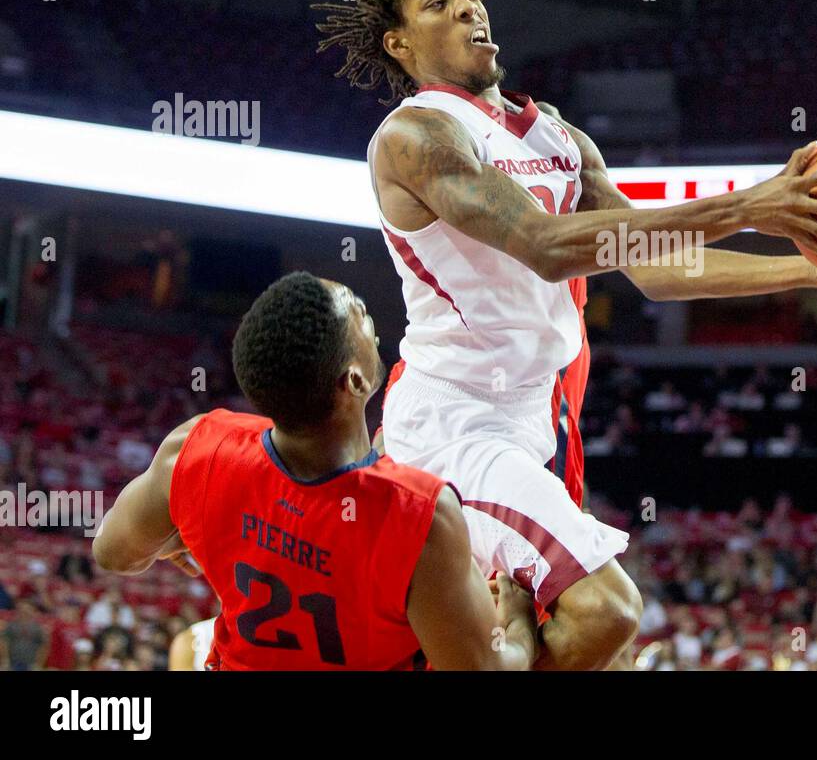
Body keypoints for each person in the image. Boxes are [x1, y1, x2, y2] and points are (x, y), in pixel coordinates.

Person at [314, 0, 817, 669]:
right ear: (399, 46)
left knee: (558, 649)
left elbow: (653, 265)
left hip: (539, 425)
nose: (469, 5)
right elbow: (541, 246)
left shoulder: (558, 137)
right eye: (437, 2)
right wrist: (747, 204)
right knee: (608, 614)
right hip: (454, 425)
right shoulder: (417, 137)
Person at [93, 272, 536, 670]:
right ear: (355, 381)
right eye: (358, 313)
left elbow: (112, 552)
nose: (368, 314)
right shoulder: (420, 513)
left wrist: (185, 531)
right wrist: (518, 623)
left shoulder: (198, 450)